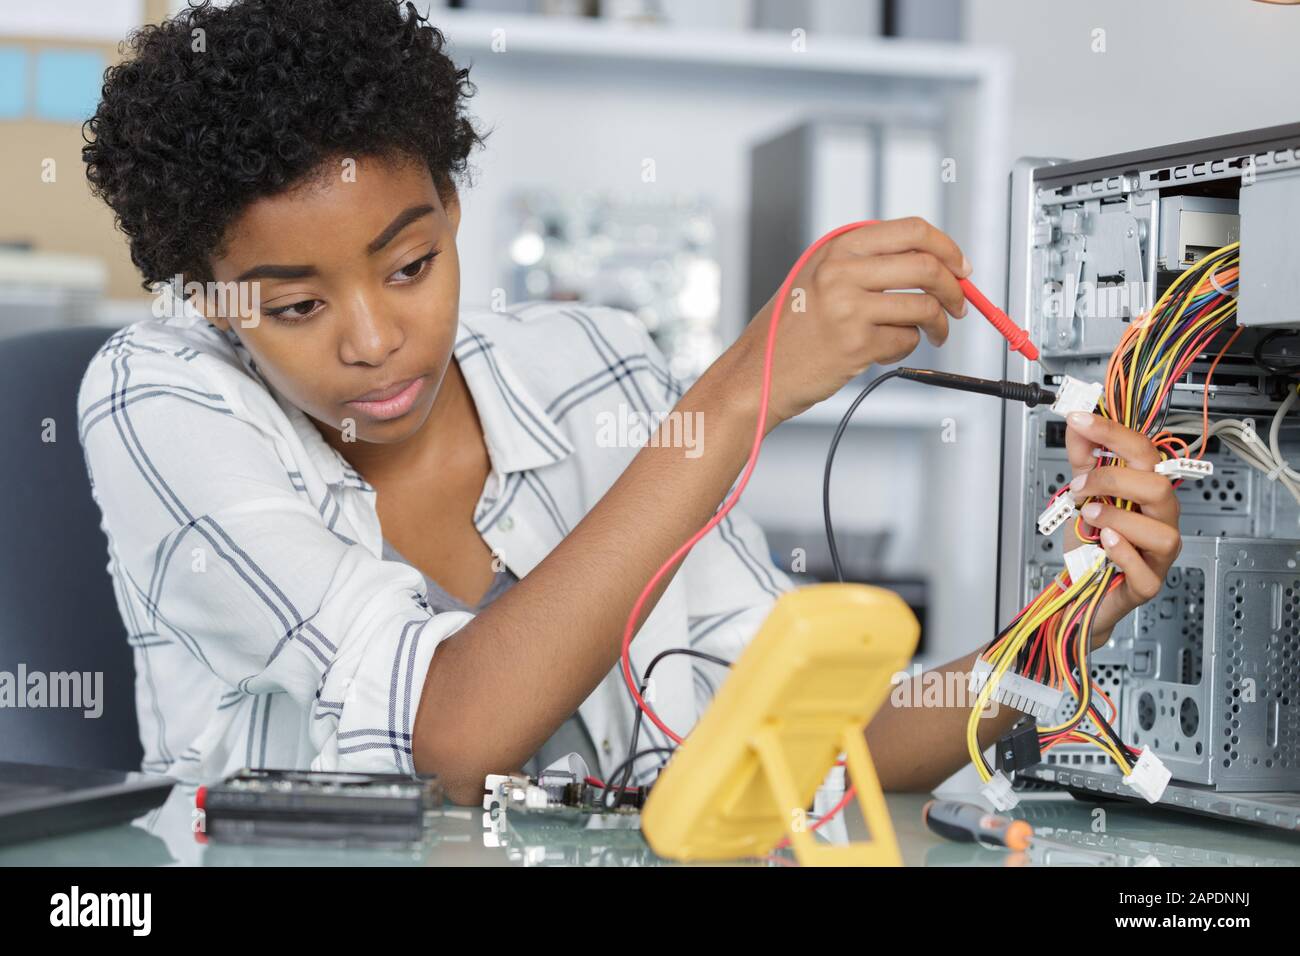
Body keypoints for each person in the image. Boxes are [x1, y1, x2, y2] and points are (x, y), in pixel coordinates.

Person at [78, 0, 1181, 805]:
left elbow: (803, 739)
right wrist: (735, 396)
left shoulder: (589, 361)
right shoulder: (158, 395)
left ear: (453, 210)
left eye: (410, 265)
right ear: (208, 299)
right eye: (299, 304)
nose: (373, 340)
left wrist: (1070, 618)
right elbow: (450, 736)